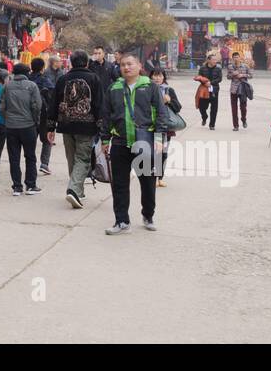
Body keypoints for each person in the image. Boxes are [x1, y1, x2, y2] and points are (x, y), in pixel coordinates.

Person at [103, 54, 166, 234]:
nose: (126, 67)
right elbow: (106, 116)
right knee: (120, 184)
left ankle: (148, 215)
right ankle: (122, 221)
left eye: (130, 64)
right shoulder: (113, 88)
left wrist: (159, 138)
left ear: (139, 65)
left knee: (147, 183)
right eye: (123, 65)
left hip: (144, 142)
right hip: (120, 143)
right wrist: (105, 139)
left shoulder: (150, 87)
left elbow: (161, 113)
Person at [49, 50, 104, 209]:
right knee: (83, 159)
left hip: (66, 125)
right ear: (86, 62)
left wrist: (50, 126)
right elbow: (99, 104)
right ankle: (74, 189)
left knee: (72, 157)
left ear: (71, 63)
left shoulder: (62, 79)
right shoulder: (94, 78)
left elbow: (53, 104)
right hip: (86, 127)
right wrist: (102, 127)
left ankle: (77, 190)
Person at [0, 63, 43, 196]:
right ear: (26, 73)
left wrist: (7, 119)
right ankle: (31, 185)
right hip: (28, 125)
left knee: (14, 157)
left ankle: (17, 187)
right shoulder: (32, 86)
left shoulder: (7, 86)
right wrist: (35, 120)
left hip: (11, 126)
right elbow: (36, 106)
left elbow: (2, 106)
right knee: (30, 156)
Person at [150, 68, 182, 187]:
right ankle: (150, 176)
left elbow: (178, 107)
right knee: (150, 152)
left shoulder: (169, 90)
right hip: (149, 126)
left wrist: (168, 101)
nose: (157, 78)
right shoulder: (146, 89)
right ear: (151, 77)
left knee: (162, 152)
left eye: (160, 76)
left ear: (163, 77)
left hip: (164, 128)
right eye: (155, 75)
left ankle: (159, 178)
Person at [30, 56, 56, 176]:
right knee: (47, 139)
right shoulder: (45, 80)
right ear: (42, 68)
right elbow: (52, 97)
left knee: (31, 140)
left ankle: (30, 163)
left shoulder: (27, 79)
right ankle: (44, 164)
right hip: (44, 113)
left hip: (29, 113)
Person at [194, 51, 223, 129]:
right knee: (201, 106)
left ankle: (212, 125)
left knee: (214, 108)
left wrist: (211, 83)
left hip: (214, 90)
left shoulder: (218, 69)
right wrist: (204, 82)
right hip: (204, 90)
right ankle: (204, 116)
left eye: (216, 60)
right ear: (208, 60)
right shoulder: (203, 68)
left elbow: (220, 79)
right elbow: (199, 77)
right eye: (213, 60)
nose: (215, 61)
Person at [227, 55, 253, 131]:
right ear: (232, 58)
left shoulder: (245, 66)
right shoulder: (230, 67)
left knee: (243, 107)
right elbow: (228, 77)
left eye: (237, 57)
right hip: (233, 89)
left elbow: (251, 75)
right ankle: (235, 125)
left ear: (240, 58)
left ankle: (244, 119)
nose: (236, 59)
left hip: (243, 89)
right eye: (234, 57)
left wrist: (242, 75)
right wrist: (233, 74)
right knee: (234, 108)